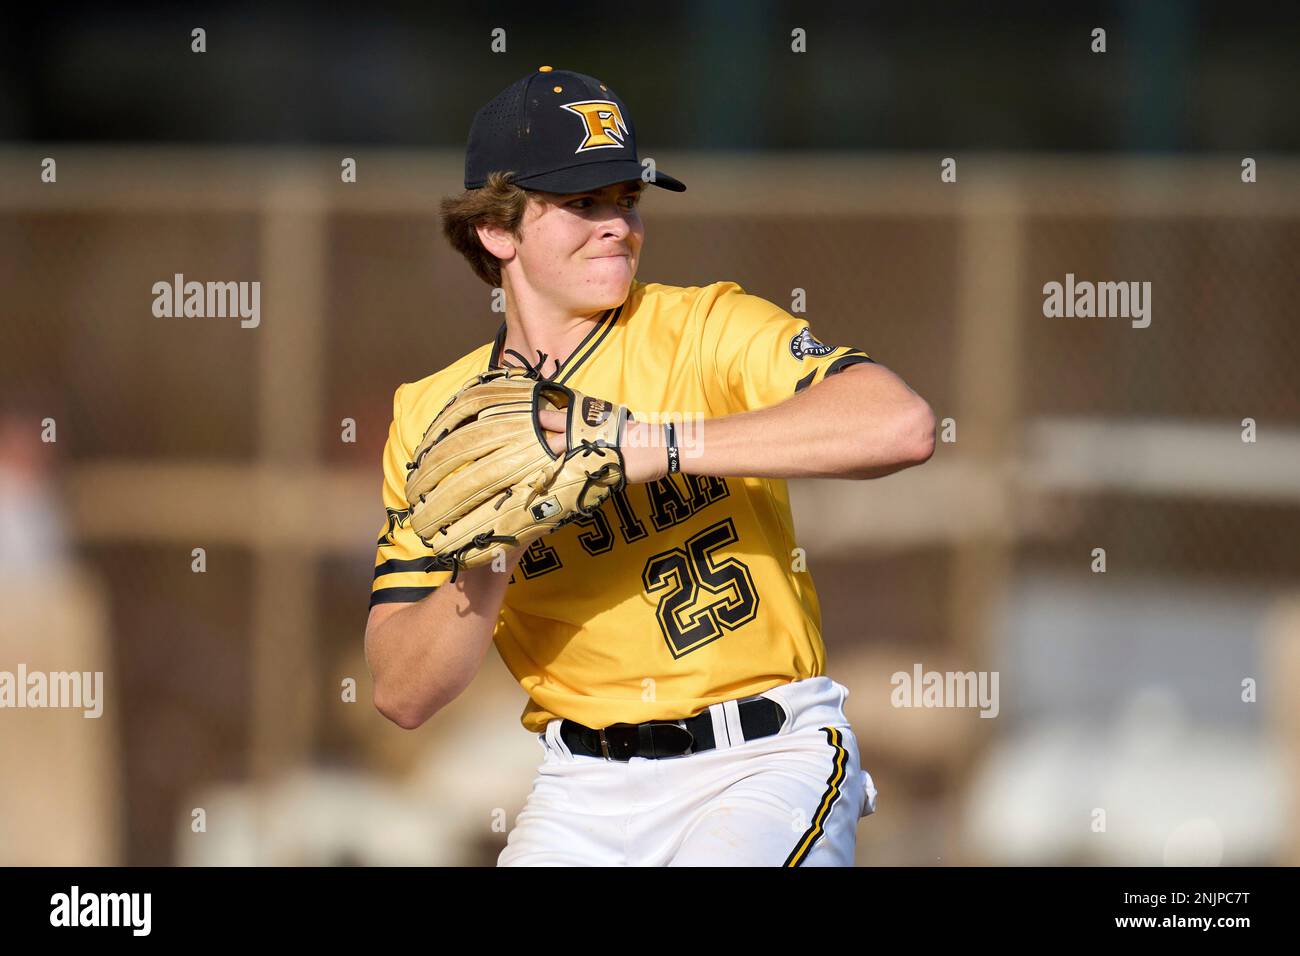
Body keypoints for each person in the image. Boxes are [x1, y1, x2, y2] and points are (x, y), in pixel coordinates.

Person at [364, 67, 935, 866]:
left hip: (761, 761)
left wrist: (649, 446)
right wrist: (497, 548)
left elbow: (900, 424)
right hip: (581, 791)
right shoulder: (437, 418)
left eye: (626, 199)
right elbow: (400, 692)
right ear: (497, 231)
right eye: (582, 202)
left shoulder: (702, 327)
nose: (617, 225)